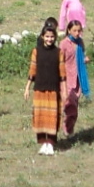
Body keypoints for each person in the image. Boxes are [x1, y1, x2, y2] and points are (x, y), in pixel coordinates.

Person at [24, 25, 66, 155]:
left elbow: (62, 73)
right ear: (42, 37)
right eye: (47, 36)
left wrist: (64, 91)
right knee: (40, 116)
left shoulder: (59, 52)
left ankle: (51, 144)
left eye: (52, 37)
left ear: (55, 37)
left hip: (53, 89)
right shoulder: (36, 51)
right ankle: (43, 143)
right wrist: (27, 88)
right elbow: (32, 70)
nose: (49, 39)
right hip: (39, 89)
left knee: (52, 116)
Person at [57, 0, 94, 101]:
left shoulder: (65, 0)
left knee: (74, 25)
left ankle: (74, 29)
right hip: (80, 14)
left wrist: (61, 27)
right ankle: (78, 28)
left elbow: (63, 13)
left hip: (72, 15)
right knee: (78, 25)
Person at [59, 20, 84, 139]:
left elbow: (80, 58)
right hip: (66, 79)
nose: (77, 33)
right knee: (70, 106)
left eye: (79, 30)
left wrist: (85, 60)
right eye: (74, 30)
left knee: (74, 107)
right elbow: (59, 61)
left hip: (78, 80)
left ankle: (69, 128)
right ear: (69, 30)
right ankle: (67, 129)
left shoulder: (80, 43)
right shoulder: (64, 44)